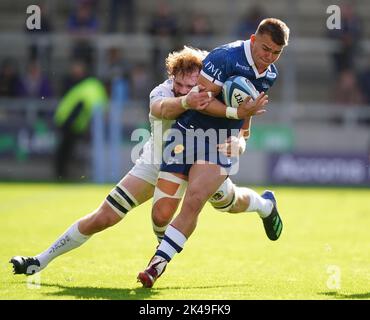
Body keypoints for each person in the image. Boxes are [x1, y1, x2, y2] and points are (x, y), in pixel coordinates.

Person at [137, 18, 290, 288]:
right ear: (253, 40)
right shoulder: (224, 57)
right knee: (163, 213)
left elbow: (248, 115)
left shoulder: (270, 74)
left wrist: (241, 141)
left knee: (195, 199)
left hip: (220, 142)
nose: (269, 57)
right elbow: (202, 101)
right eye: (265, 49)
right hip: (186, 134)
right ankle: (265, 205)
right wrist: (235, 112)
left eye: (277, 52)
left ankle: (156, 265)